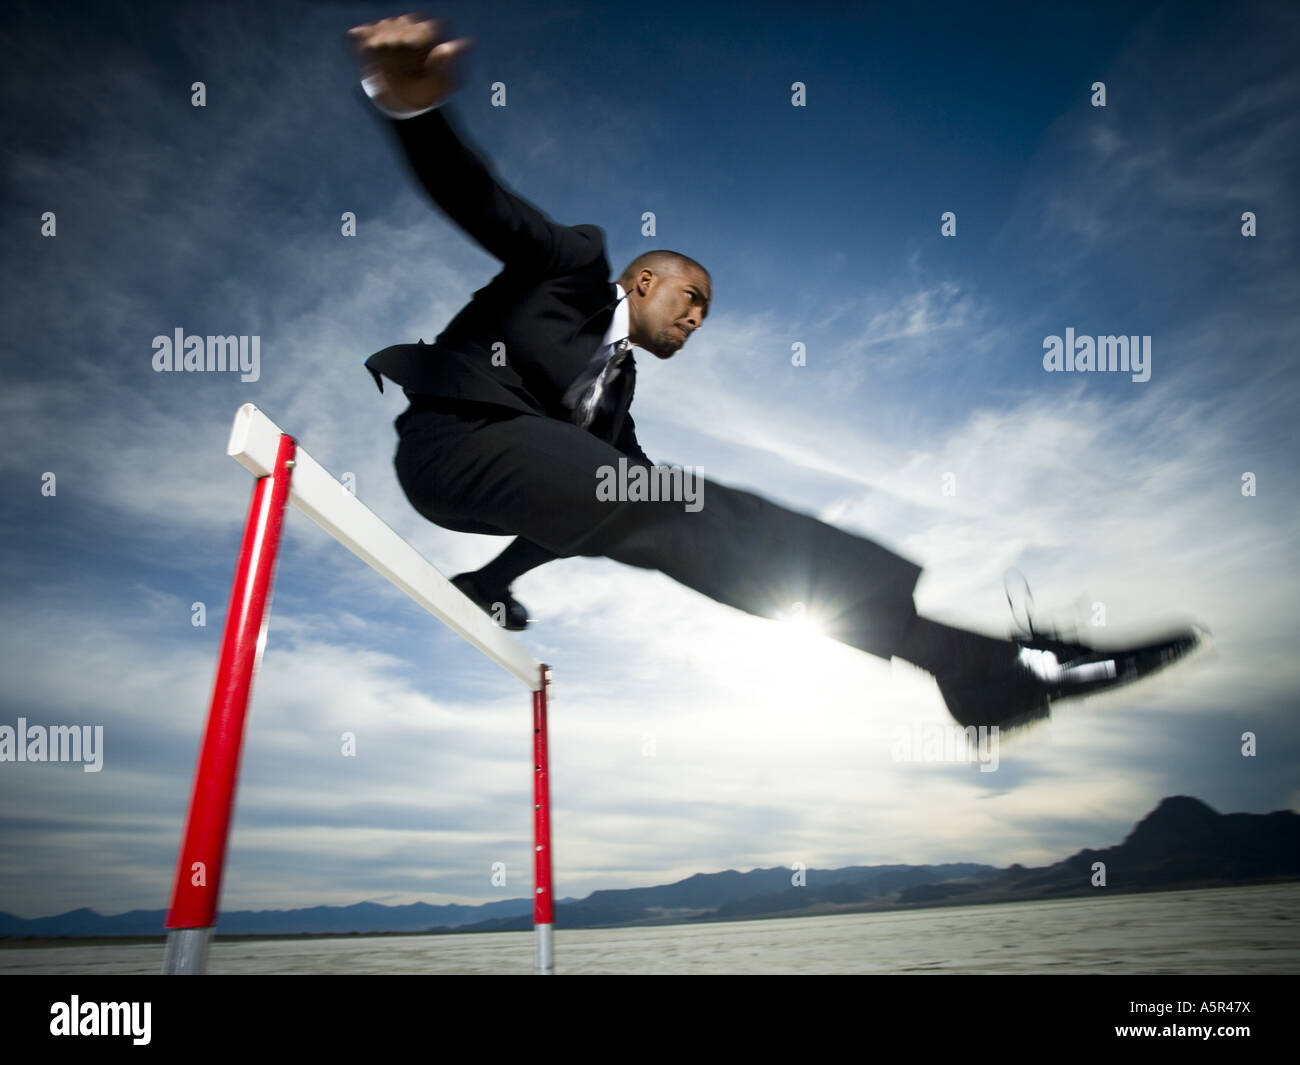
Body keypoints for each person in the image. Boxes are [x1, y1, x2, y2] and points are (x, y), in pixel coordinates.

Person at [347, 14, 1203, 732]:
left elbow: (584, 506)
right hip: (445, 442)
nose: (696, 319)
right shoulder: (571, 268)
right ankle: (985, 665)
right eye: (691, 298)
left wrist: (488, 581)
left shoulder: (617, 404)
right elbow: (490, 208)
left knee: (686, 515)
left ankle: (988, 668)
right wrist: (413, 112)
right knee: (660, 500)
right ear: (642, 281)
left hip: (506, 480)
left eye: (709, 314)